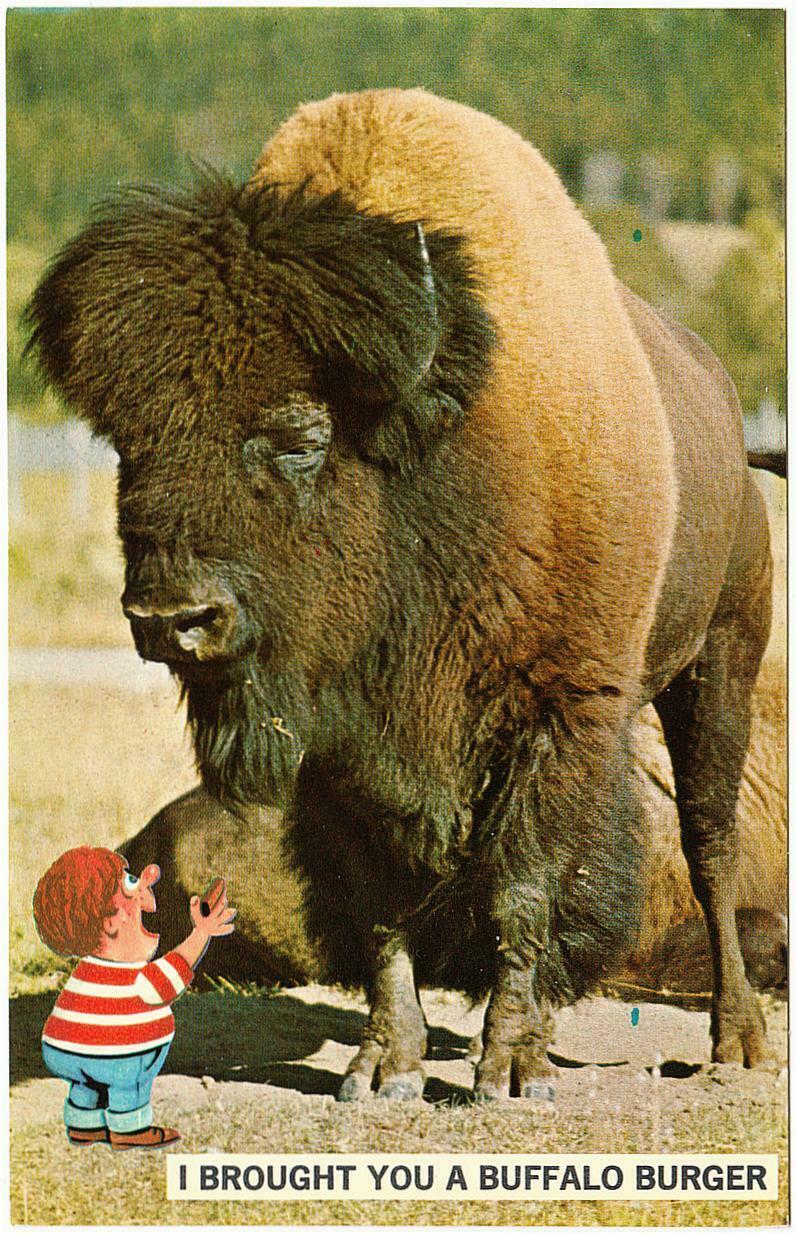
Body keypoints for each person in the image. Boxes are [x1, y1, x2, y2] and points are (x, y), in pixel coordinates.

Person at [33, 846, 235, 1150]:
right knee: (130, 1080)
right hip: (116, 1058)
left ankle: (83, 1123)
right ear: (109, 923)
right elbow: (175, 968)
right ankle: (129, 1128)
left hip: (59, 1051)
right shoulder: (136, 980)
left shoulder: (85, 970)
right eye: (128, 884)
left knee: (85, 1083)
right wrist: (202, 932)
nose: (143, 885)